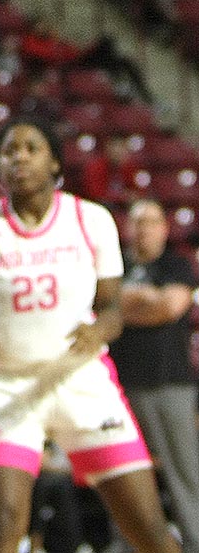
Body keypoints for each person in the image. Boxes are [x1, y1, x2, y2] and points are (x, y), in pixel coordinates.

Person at [0, 116, 180, 553]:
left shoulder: (91, 219)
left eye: (31, 148)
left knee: (148, 529)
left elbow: (111, 308)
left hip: (80, 379)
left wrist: (99, 330)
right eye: (10, 151)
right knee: (0, 529)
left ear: (54, 164)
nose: (19, 158)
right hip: (9, 385)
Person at [109, 200, 199, 553]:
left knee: (184, 474)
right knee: (124, 476)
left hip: (171, 384)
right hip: (122, 387)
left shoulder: (176, 265)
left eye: (152, 222)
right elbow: (104, 310)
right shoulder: (116, 266)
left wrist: (128, 305)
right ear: (128, 229)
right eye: (138, 222)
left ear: (164, 228)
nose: (144, 228)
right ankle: (127, 546)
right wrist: (147, 301)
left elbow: (171, 306)